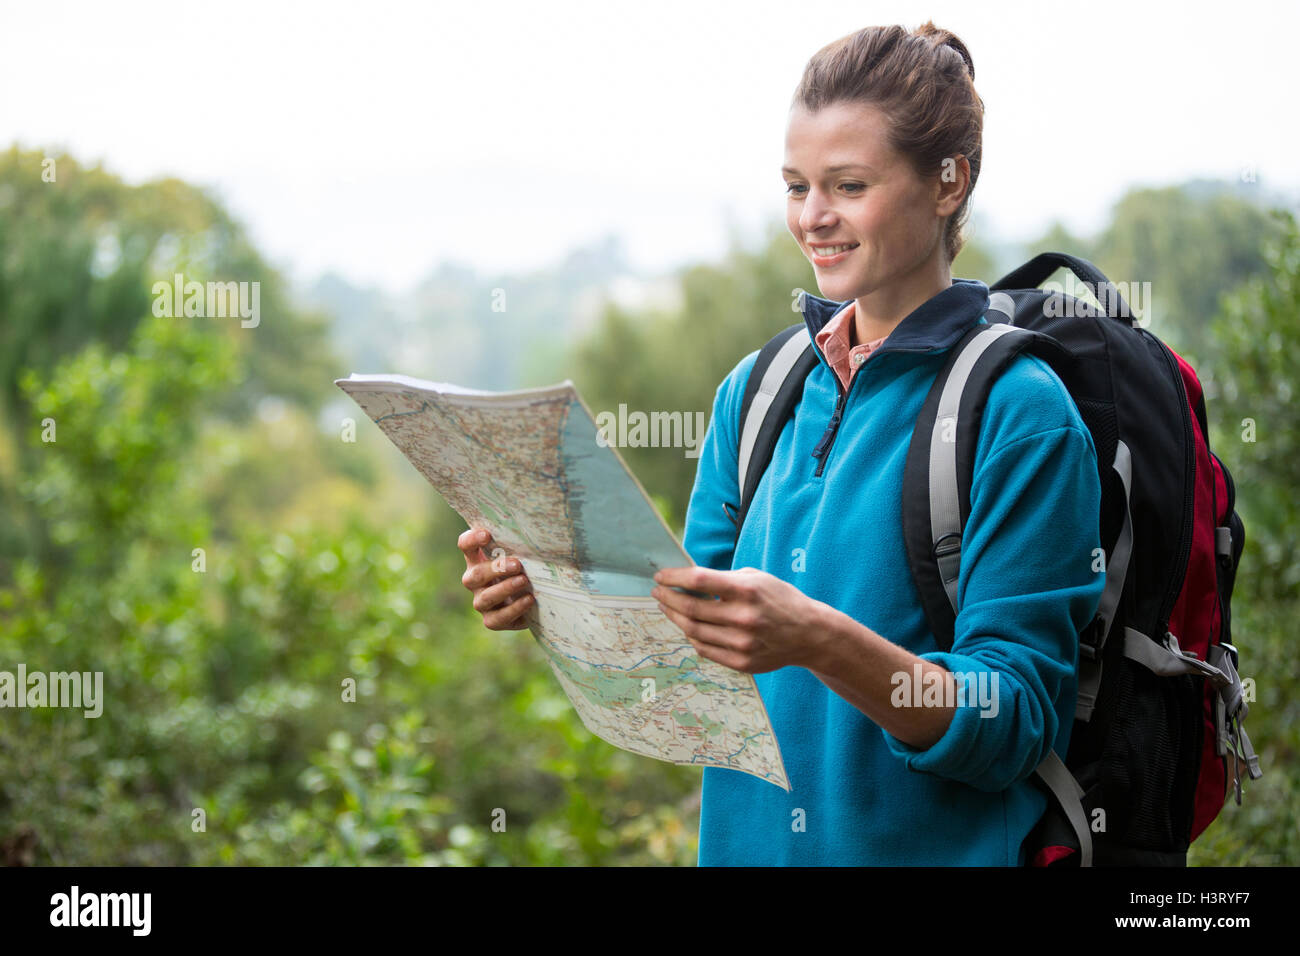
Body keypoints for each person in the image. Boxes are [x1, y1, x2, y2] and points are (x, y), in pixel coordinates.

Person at [459, 21, 1105, 865]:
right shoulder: (759, 391)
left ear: (950, 183)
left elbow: (1014, 720)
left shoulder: (1020, 414)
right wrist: (547, 593)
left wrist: (822, 641)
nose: (814, 217)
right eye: (796, 186)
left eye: (848, 185)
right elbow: (690, 657)